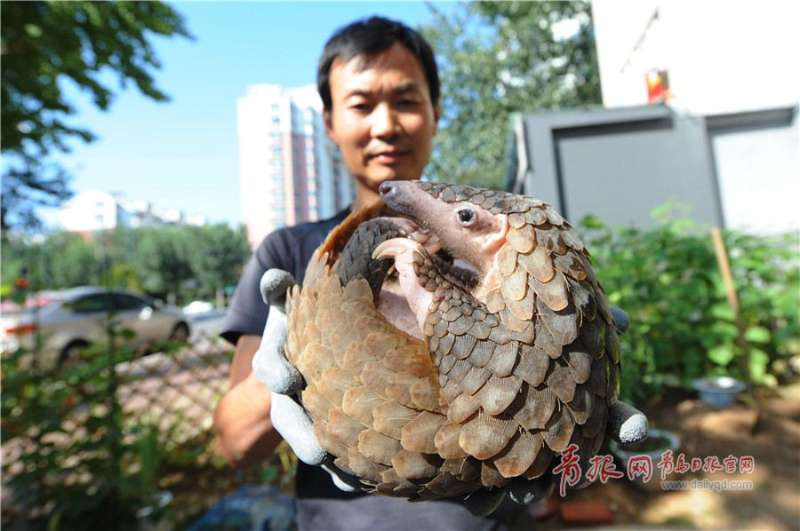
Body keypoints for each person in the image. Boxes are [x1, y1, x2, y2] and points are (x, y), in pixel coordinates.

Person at [214, 16, 646, 531]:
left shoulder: (493, 242)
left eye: (405, 100)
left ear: (435, 112)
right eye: (361, 105)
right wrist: (291, 359)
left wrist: (574, 371)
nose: (385, 125)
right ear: (330, 124)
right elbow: (233, 443)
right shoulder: (288, 251)